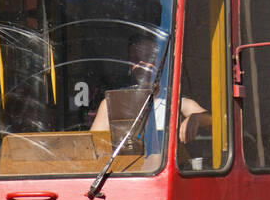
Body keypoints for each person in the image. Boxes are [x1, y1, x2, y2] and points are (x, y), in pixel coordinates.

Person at [90, 34, 210, 163]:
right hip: (129, 175)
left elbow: (214, 121)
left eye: (148, 58)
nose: (141, 64)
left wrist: (196, 118)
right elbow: (93, 148)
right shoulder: (111, 104)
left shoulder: (177, 102)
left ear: (162, 62)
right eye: (135, 59)